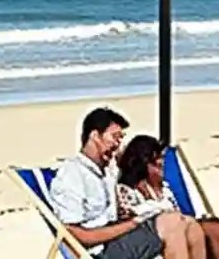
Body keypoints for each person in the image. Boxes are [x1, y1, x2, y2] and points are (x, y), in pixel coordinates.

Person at [48, 107, 207, 259]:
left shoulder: (107, 173)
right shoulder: (72, 174)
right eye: (115, 137)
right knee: (170, 222)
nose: (118, 144)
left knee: (190, 225)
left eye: (121, 139)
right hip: (99, 251)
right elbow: (74, 233)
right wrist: (130, 224)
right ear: (95, 136)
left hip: (119, 239)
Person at [116, 134, 219, 259]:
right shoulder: (127, 191)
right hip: (156, 236)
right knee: (214, 230)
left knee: (217, 229)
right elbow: (134, 223)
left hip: (181, 230)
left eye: (162, 159)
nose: (162, 164)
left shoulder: (165, 189)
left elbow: (180, 216)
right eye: (156, 162)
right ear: (143, 164)